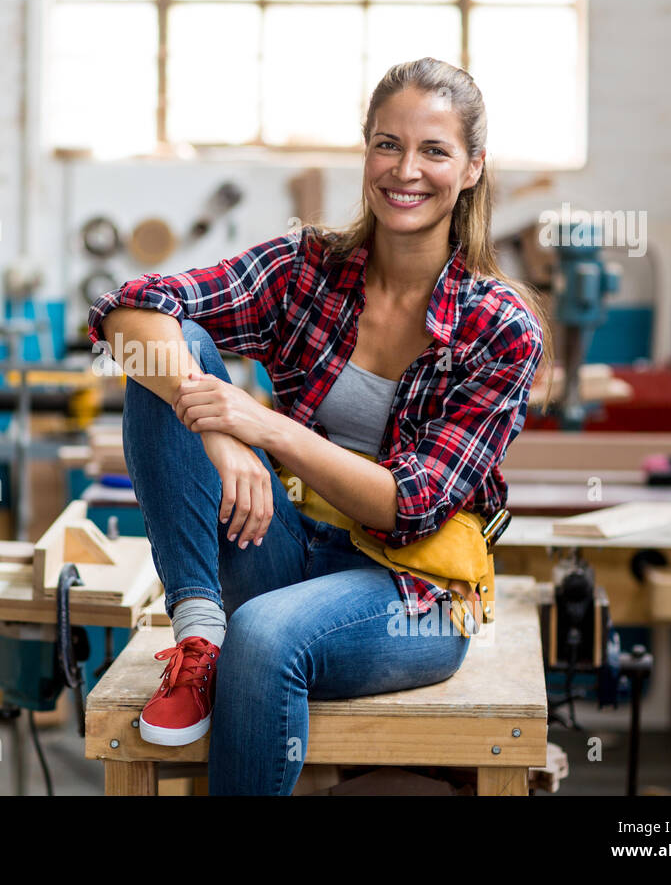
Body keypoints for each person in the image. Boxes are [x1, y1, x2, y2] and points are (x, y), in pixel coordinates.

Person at [86, 57, 552, 795]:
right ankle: (200, 636)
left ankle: (233, 647)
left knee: (268, 638)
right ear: (365, 151)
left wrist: (264, 431)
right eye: (387, 143)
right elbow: (124, 312)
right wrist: (219, 432)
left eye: (435, 150)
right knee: (173, 349)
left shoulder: (501, 327)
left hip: (412, 594)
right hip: (285, 547)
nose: (406, 169)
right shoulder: (308, 269)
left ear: (471, 169)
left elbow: (412, 503)